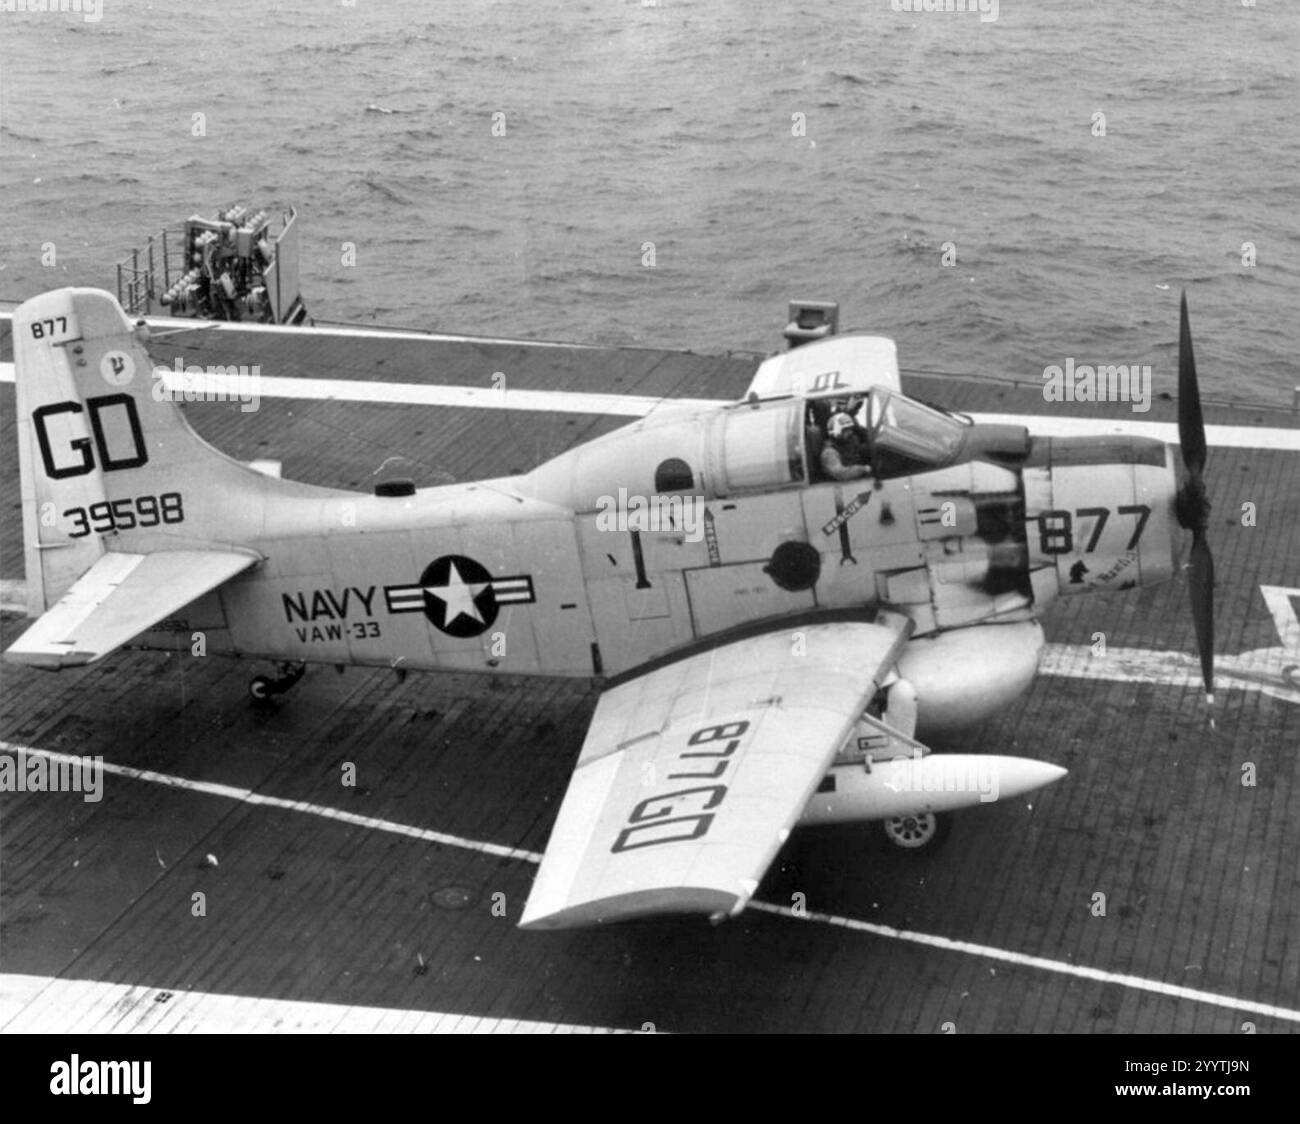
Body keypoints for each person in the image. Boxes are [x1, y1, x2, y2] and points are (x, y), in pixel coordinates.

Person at [820, 412, 871, 481]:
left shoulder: (849, 442)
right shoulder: (829, 453)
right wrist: (863, 469)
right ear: (837, 432)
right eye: (846, 430)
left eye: (850, 429)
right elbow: (841, 473)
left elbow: (860, 450)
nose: (850, 432)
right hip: (842, 486)